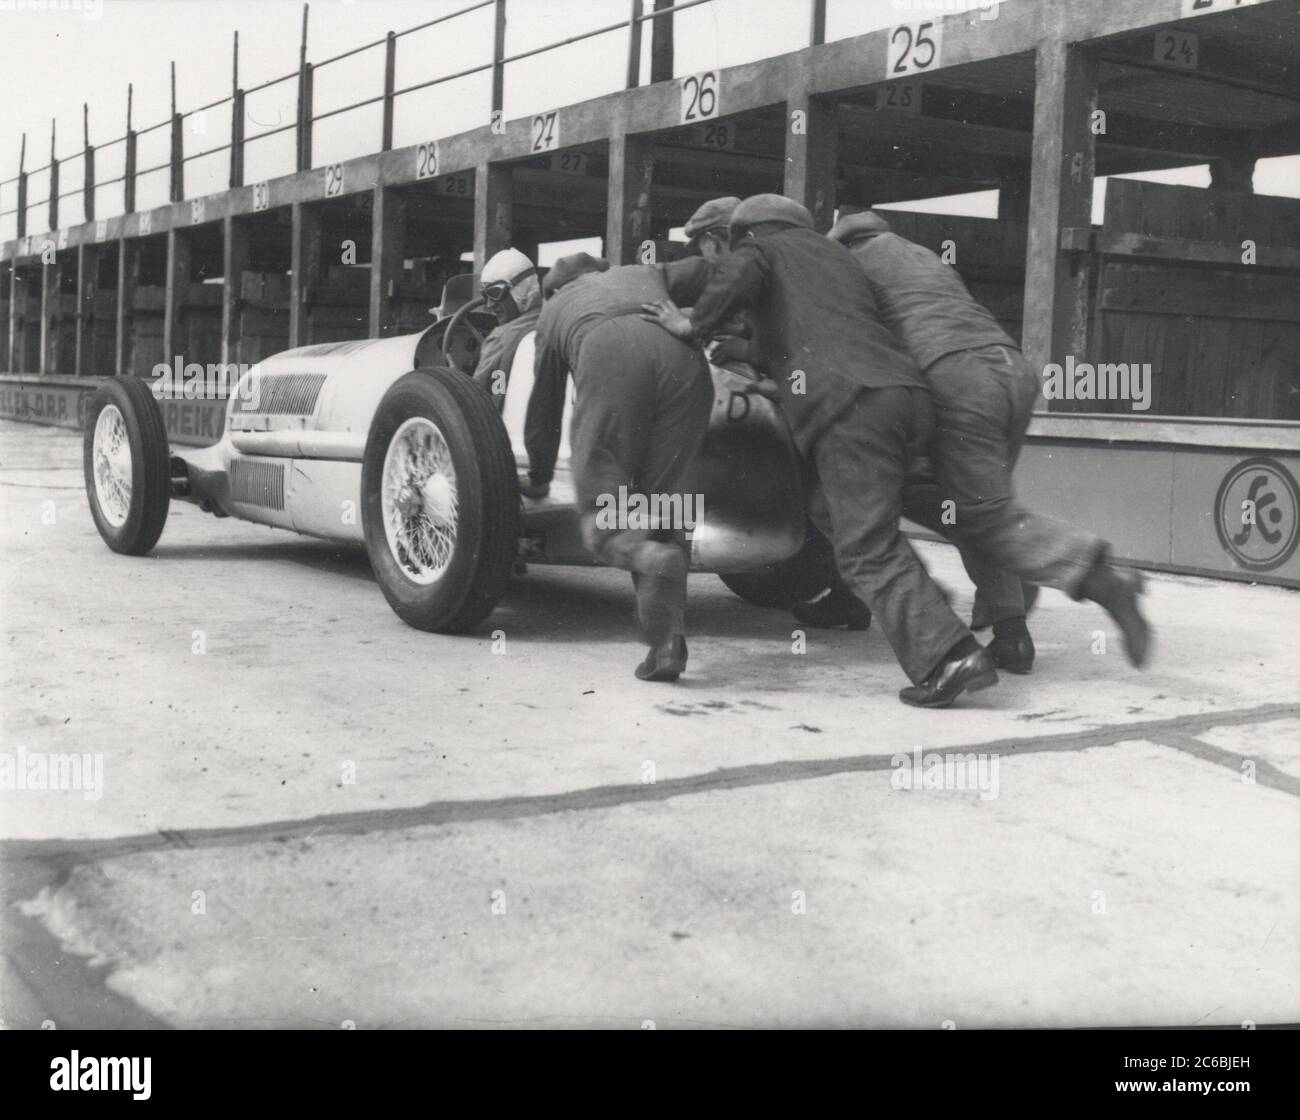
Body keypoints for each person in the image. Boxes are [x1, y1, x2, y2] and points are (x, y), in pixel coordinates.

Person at [644, 193, 998, 708]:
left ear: (751, 232)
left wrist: (691, 325)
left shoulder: (762, 250)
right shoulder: (836, 259)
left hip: (852, 409)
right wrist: (774, 380)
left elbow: (740, 275)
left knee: (866, 545)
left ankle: (949, 654)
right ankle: (866, 603)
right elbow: (820, 333)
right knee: (825, 506)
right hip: (906, 398)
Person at [828, 210, 1151, 669]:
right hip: (1010, 368)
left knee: (983, 516)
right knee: (981, 509)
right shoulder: (920, 256)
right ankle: (1011, 635)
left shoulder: (850, 263)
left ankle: (1100, 578)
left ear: (841, 240)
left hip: (953, 375)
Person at [525, 252, 714, 683]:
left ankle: (647, 557)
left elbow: (544, 410)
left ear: (554, 289)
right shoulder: (644, 272)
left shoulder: (553, 310)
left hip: (610, 356)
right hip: (685, 360)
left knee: (608, 515)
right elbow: (710, 270)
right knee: (669, 506)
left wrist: (538, 477)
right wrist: (703, 320)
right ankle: (668, 643)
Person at [470, 248, 544, 410]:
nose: (489, 304)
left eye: (495, 293)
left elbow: (483, 398)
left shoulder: (501, 339)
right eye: (485, 295)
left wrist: (457, 382)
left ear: (520, 290)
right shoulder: (554, 318)